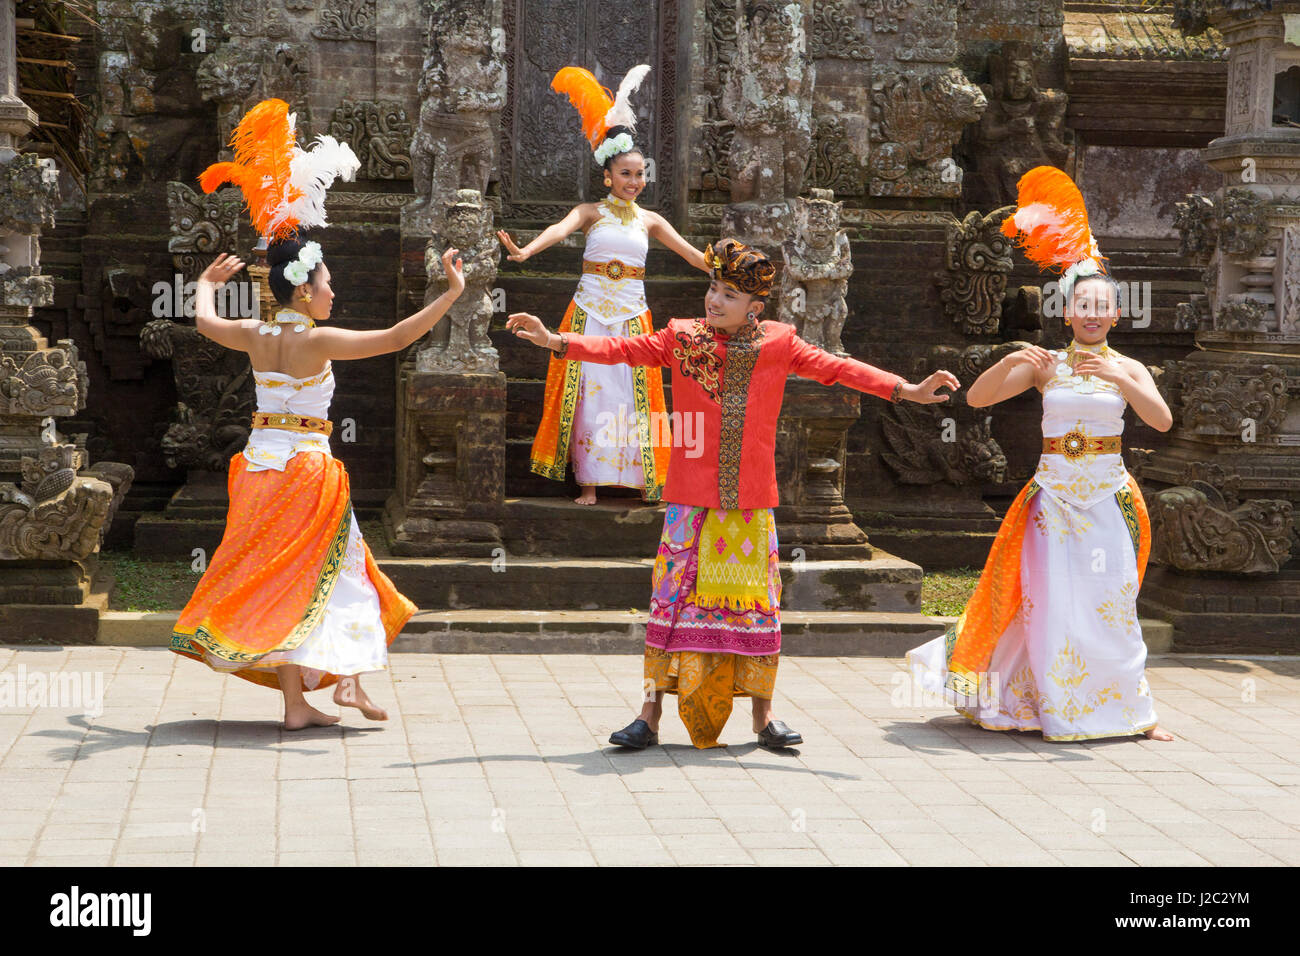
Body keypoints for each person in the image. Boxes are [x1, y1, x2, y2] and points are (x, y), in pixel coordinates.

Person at [507, 238, 958, 749]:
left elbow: (839, 369)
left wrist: (908, 389)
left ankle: (764, 720)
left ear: (755, 307)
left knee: (757, 607)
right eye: (712, 288)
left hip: (749, 503)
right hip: (687, 501)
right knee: (669, 604)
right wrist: (556, 342)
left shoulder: (778, 343)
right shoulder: (681, 338)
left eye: (727, 294)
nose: (714, 300)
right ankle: (648, 717)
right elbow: (621, 349)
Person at [170, 97, 466, 730]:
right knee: (344, 568)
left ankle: (300, 703)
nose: (335, 292)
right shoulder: (317, 340)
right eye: (329, 283)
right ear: (304, 289)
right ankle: (349, 684)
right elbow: (394, 339)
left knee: (281, 577)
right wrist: (451, 293)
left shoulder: (254, 332)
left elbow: (201, 320)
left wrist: (206, 283)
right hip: (306, 469)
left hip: (256, 465)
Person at [907, 165, 1175, 743]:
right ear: (1068, 311)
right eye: (1084, 307)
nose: (1093, 315)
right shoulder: (1046, 364)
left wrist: (1122, 380)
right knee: (1049, 605)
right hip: (1052, 498)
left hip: (1107, 497)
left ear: (1116, 312)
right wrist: (1010, 361)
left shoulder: (1127, 367)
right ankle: (1041, 705)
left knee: (1112, 605)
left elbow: (1161, 420)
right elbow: (977, 399)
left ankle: (1133, 714)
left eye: (1103, 306)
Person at [498, 64, 708, 505]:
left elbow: (692, 255)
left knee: (633, 400)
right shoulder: (591, 211)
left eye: (640, 174)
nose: (635, 182)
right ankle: (589, 481)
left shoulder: (651, 221)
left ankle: (637, 477)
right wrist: (526, 252)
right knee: (590, 399)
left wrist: (728, 268)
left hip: (633, 316)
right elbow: (560, 228)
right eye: (626, 174)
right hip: (591, 311)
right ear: (608, 176)